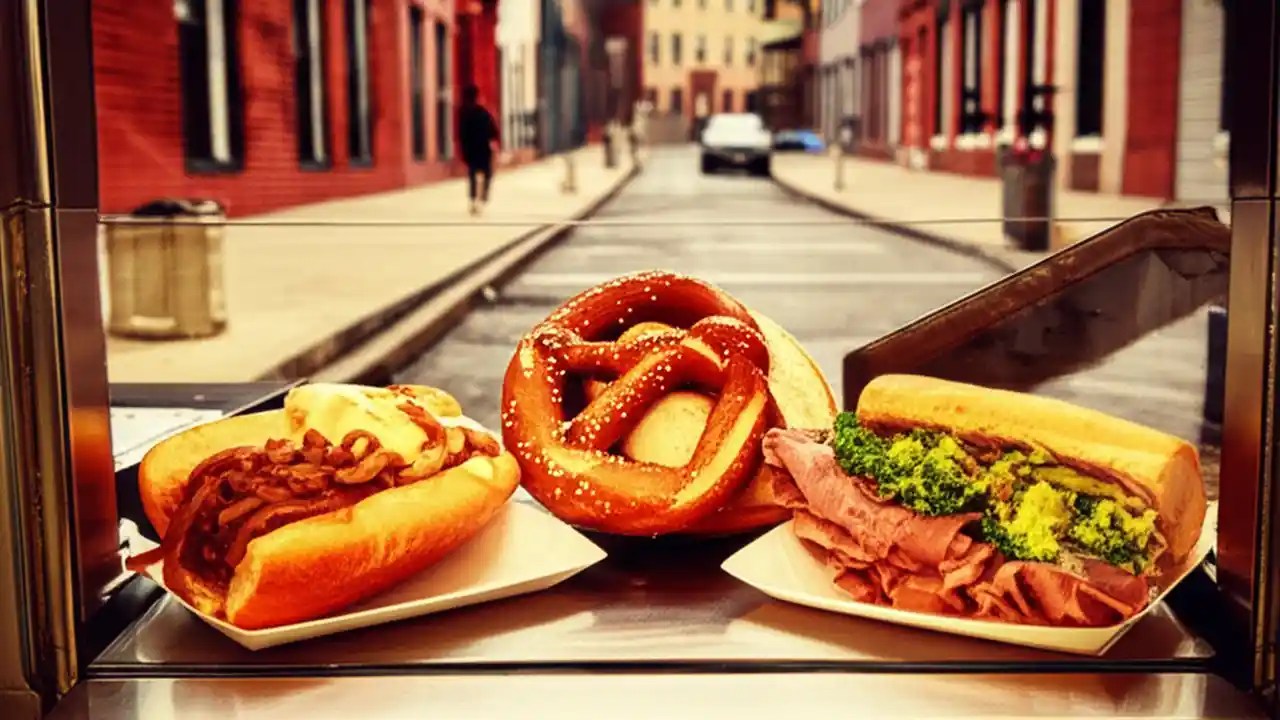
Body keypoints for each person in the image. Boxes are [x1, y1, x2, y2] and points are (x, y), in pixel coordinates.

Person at [457, 84, 500, 216]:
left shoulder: (463, 113)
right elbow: (494, 131)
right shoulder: (483, 113)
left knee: (472, 175)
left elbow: (461, 133)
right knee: (487, 174)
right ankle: (483, 198)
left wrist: (463, 150)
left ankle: (473, 199)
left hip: (470, 149)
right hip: (483, 148)